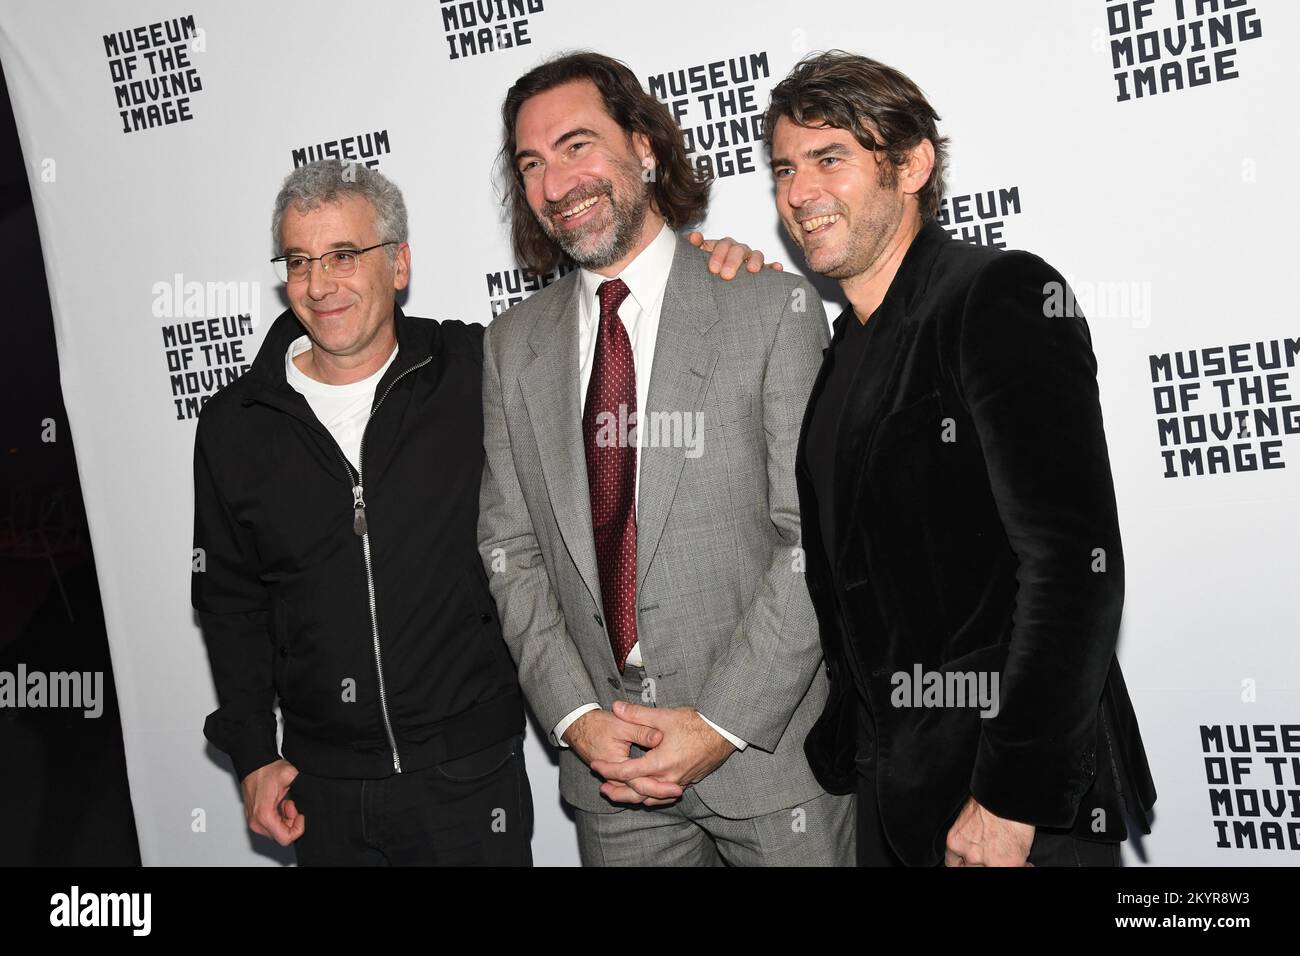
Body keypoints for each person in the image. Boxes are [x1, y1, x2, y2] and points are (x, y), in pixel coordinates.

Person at [766, 51, 1157, 867]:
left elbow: (1073, 569)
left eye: (830, 158)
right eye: (784, 169)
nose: (799, 193)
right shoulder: (840, 356)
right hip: (896, 797)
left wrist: (1012, 798)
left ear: (911, 164)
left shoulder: (996, 296)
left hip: (1010, 807)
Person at [479, 51, 855, 866]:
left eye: (578, 146)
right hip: (611, 783)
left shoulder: (769, 309)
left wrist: (719, 723)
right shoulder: (511, 346)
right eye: (532, 164)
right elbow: (509, 550)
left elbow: (813, 544)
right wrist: (576, 719)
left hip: (771, 763)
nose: (555, 183)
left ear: (645, 148)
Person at [191, 160, 532, 865]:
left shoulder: (473, 367)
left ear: (398, 263)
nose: (320, 285)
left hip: (468, 775)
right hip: (322, 788)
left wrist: (707, 265)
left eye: (344, 255)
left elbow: (595, 321)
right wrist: (254, 754)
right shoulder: (236, 423)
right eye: (300, 261)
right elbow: (229, 601)